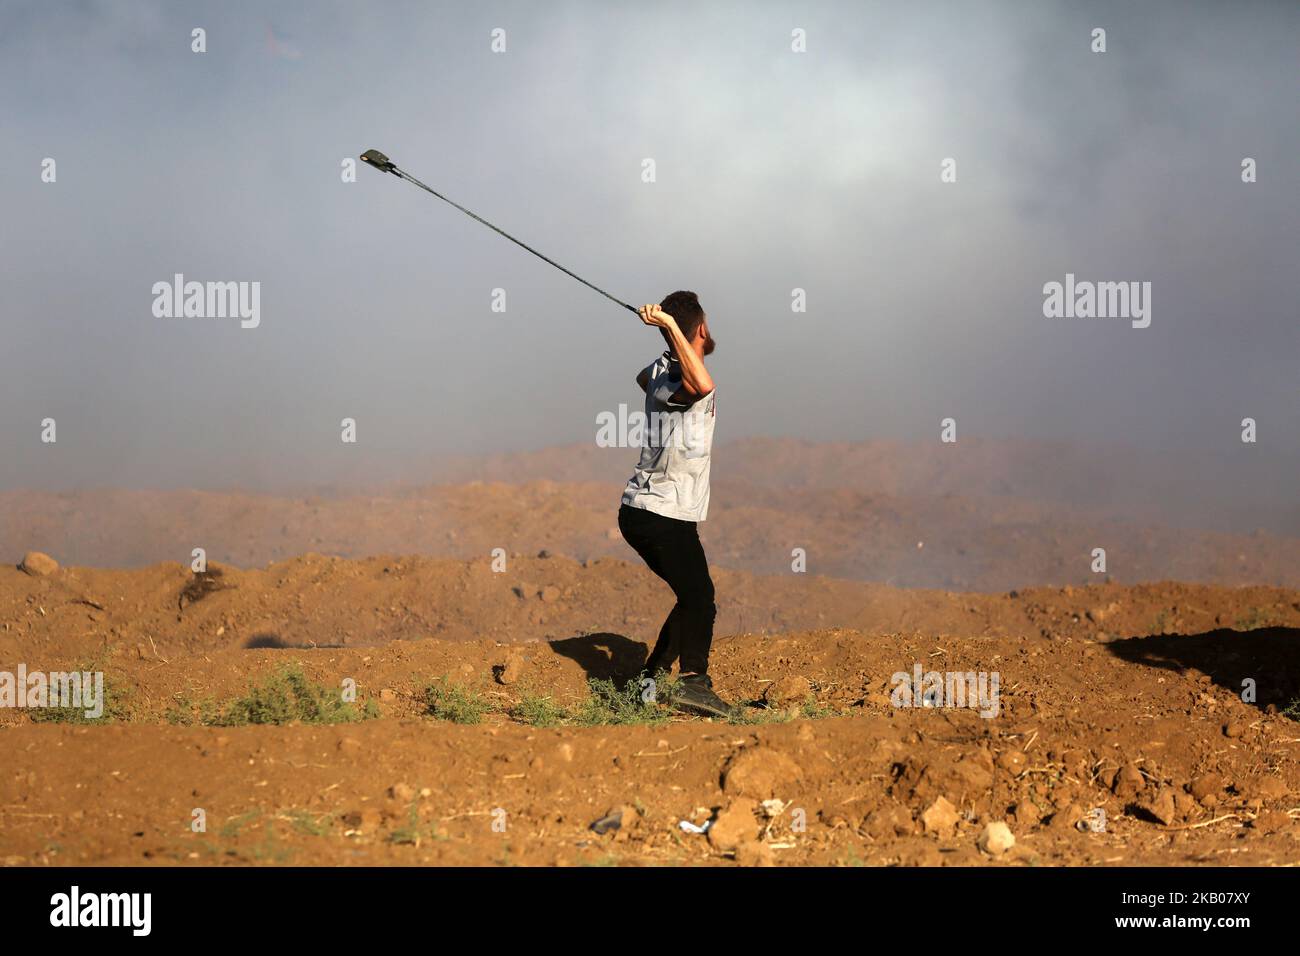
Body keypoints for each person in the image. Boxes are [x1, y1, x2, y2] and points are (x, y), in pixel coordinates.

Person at [618, 290, 733, 717]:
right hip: (664, 514)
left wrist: (670, 340)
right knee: (701, 597)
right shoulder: (692, 382)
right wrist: (668, 326)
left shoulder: (662, 372)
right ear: (701, 329)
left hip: (638, 512)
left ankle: (647, 683)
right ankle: (694, 683)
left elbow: (642, 380)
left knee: (690, 595)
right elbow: (702, 384)